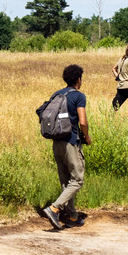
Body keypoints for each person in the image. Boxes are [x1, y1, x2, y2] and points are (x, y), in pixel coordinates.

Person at [41, 64, 91, 231]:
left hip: (57, 142)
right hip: (71, 142)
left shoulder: (57, 94)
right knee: (77, 180)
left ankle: (71, 216)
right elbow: (82, 122)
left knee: (66, 181)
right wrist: (87, 137)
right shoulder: (78, 96)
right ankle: (54, 209)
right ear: (78, 79)